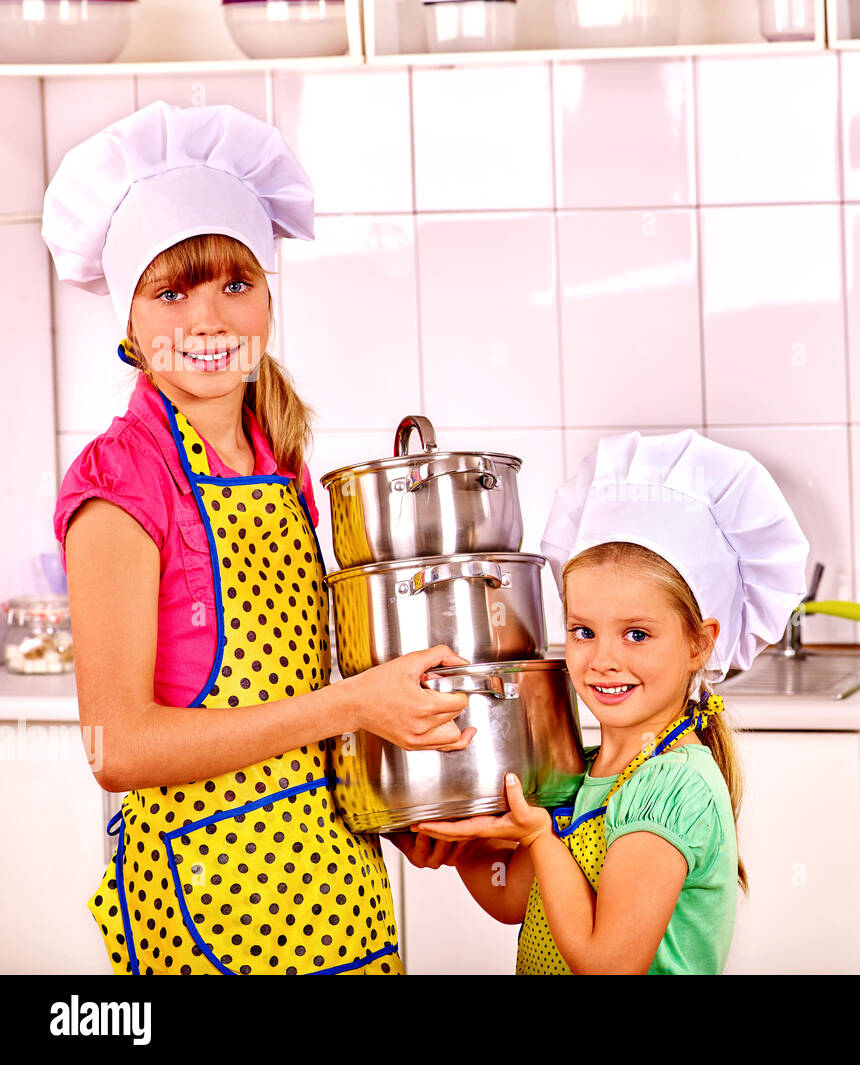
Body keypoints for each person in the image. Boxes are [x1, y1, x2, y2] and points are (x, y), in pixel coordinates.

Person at [43, 101, 471, 976]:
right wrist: (355, 705)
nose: (209, 320)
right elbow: (116, 748)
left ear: (270, 294)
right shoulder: (121, 478)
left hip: (335, 884)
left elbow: (304, 696)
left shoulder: (282, 457)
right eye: (172, 291)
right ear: (129, 322)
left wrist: (395, 800)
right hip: (213, 906)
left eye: (236, 283)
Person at [392, 430, 809, 974]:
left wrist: (539, 834)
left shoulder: (669, 785)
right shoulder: (587, 770)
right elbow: (515, 900)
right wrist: (454, 843)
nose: (603, 659)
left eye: (636, 634)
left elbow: (608, 965)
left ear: (700, 642)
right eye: (584, 631)